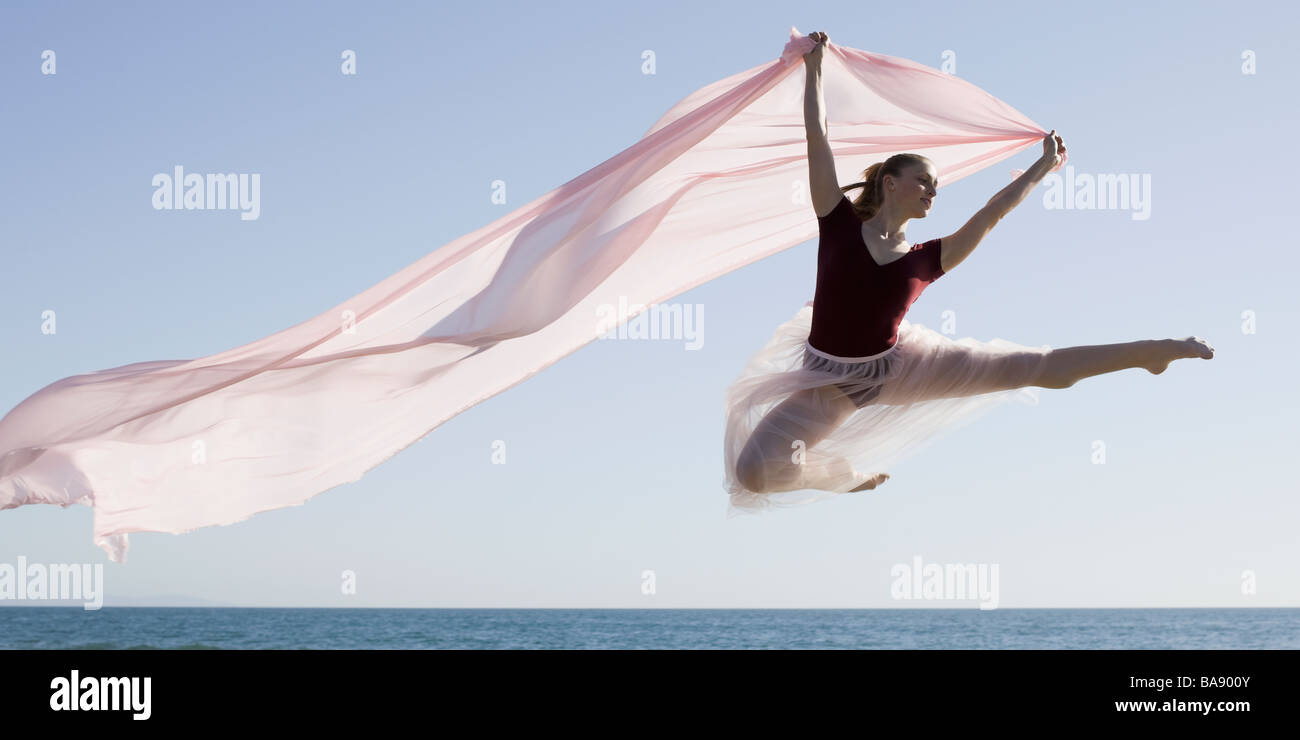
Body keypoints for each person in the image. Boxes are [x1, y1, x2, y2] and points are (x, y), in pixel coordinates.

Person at [722, 31, 1213, 512]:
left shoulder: (928, 259)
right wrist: (815, 70)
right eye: (924, 183)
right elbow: (818, 136)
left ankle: (1154, 351)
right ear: (891, 183)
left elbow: (993, 211)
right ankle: (840, 480)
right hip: (826, 381)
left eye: (936, 187)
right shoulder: (837, 220)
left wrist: (1040, 170)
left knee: (1038, 370)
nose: (933, 193)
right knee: (753, 474)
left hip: (895, 369)